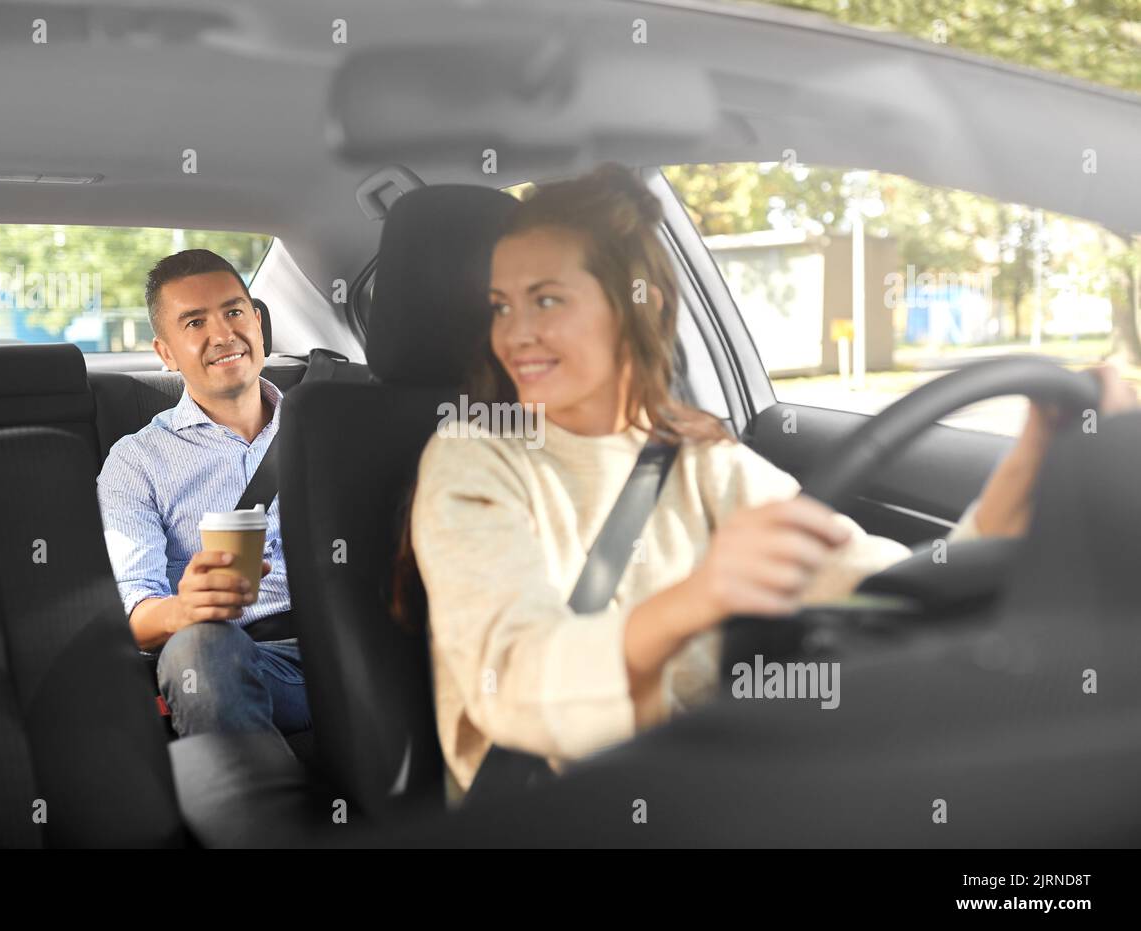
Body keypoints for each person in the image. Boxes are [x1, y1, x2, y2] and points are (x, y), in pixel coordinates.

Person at [404, 163, 1138, 796]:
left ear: (640, 302)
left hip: (718, 782)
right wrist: (698, 599)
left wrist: (1030, 462)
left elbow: (887, 590)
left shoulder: (701, 460)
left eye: (547, 299)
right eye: (502, 305)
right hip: (562, 809)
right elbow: (514, 678)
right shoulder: (475, 454)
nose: (514, 332)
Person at [97, 249, 310, 747]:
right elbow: (133, 615)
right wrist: (186, 610)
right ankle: (259, 819)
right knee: (199, 649)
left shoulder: (327, 425)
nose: (223, 335)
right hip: (246, 660)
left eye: (234, 312)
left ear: (257, 323)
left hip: (356, 645)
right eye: (195, 322)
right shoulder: (136, 462)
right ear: (166, 352)